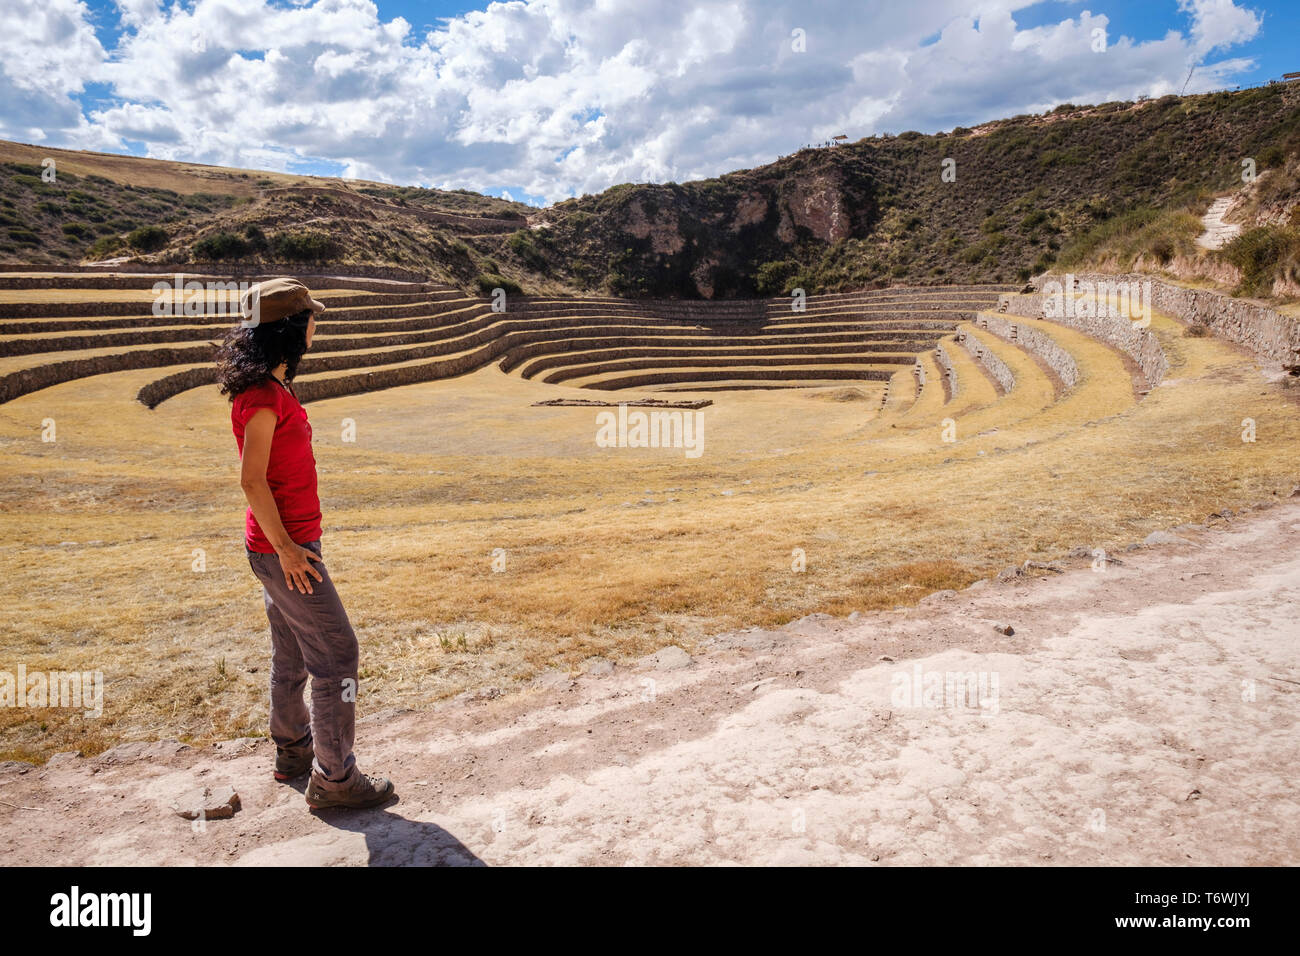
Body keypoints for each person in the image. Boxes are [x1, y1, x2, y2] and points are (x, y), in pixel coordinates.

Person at [215, 276, 394, 811]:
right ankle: (335, 780)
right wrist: (290, 551)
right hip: (284, 549)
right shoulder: (265, 397)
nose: (317, 322)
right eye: (311, 315)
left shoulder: (269, 387)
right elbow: (251, 480)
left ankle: (293, 750)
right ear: (291, 327)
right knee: (338, 654)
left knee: (291, 650)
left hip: (280, 545)